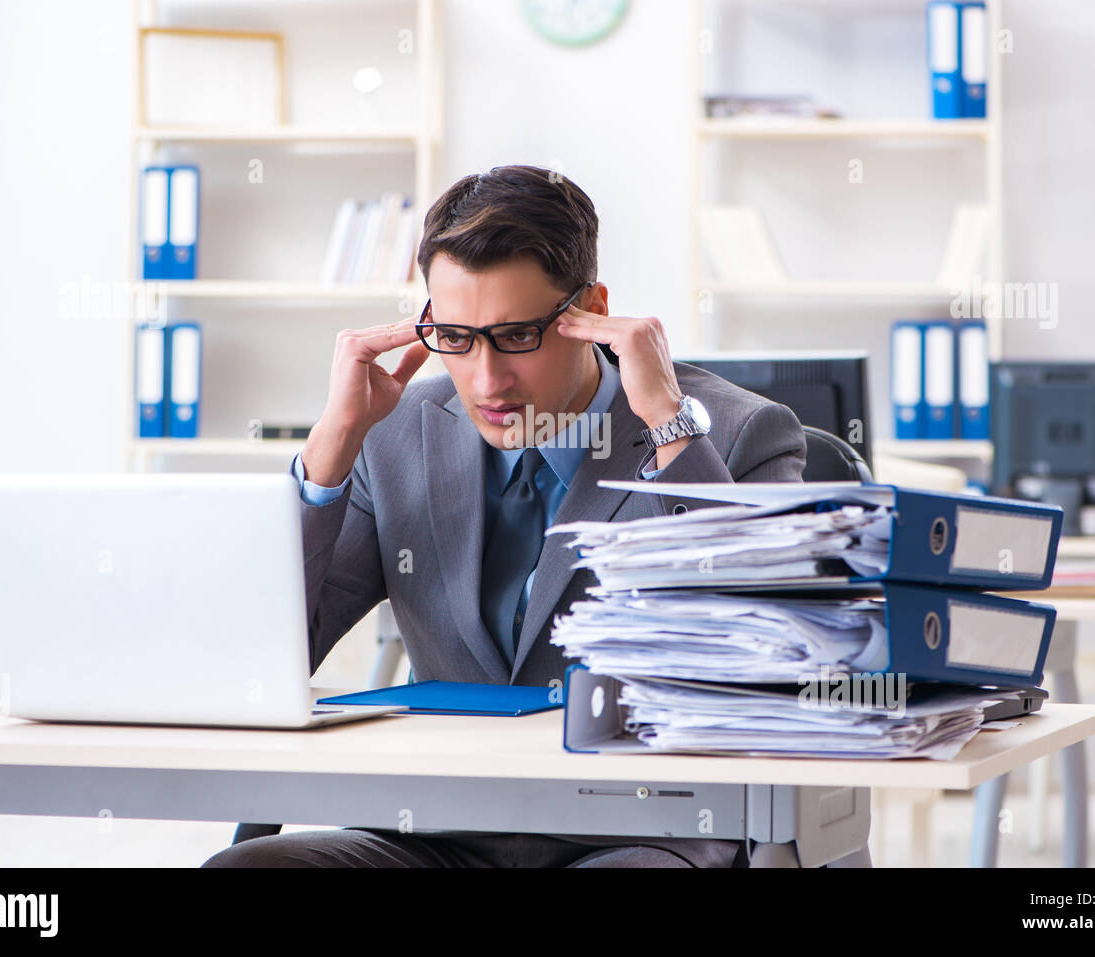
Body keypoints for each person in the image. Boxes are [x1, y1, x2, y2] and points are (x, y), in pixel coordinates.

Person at [203, 165, 806, 868]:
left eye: (517, 335)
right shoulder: (395, 434)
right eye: (455, 337)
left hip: (635, 836)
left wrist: (670, 431)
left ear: (593, 309)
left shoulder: (731, 433)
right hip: (436, 832)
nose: (487, 381)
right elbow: (259, 659)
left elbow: (764, 663)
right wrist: (330, 452)